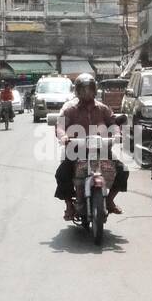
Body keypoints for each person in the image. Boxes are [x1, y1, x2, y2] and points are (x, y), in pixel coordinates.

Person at [55, 73, 128, 220]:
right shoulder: (70, 109)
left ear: (94, 90)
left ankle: (109, 200)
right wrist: (63, 136)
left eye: (89, 89)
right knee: (62, 173)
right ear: (77, 91)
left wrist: (117, 134)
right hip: (76, 149)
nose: (86, 92)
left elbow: (113, 123)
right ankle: (69, 205)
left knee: (122, 170)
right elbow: (60, 125)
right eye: (83, 90)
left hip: (101, 149)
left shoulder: (103, 109)